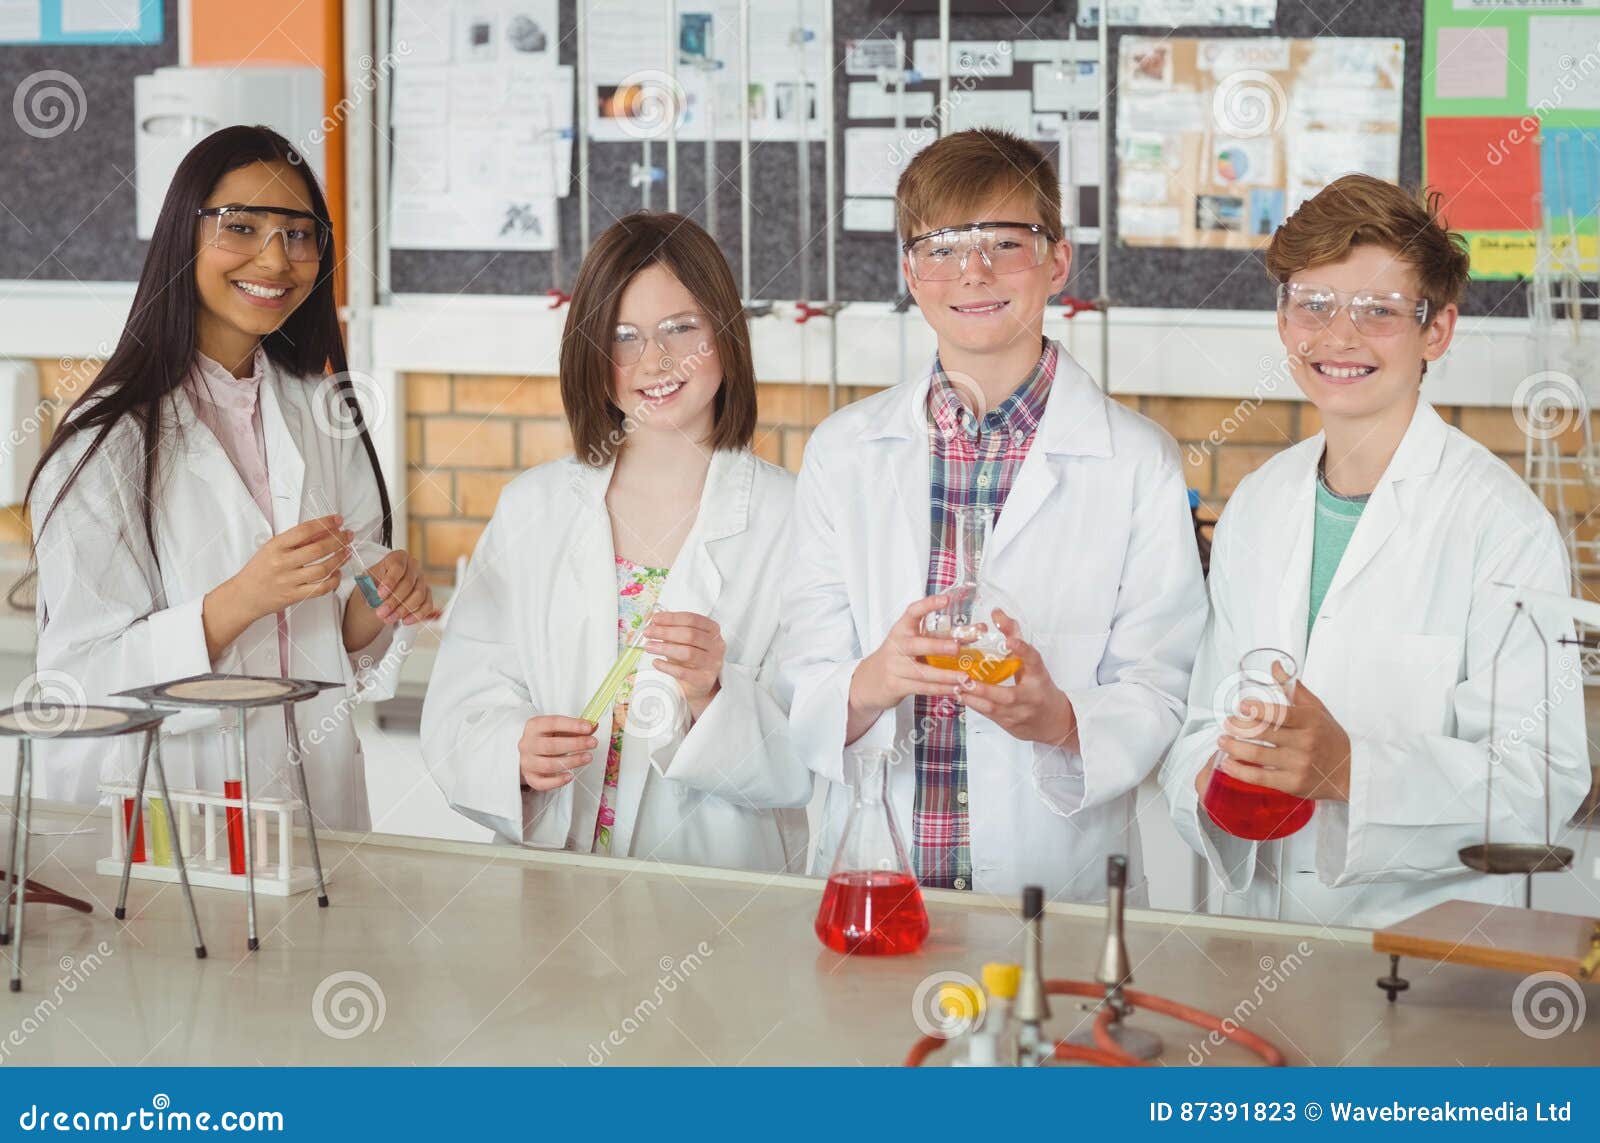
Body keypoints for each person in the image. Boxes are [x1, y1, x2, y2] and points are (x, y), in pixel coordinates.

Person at [780, 130, 1207, 900]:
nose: (973, 271)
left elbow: (1161, 684)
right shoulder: (843, 452)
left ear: (1058, 261)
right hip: (879, 876)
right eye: (942, 248)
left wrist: (1058, 719)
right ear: (910, 272)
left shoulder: (1138, 460)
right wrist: (876, 678)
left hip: (1058, 884)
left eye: (1006, 243)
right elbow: (803, 677)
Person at [1158, 174, 1589, 929]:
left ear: (1437, 331)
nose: (1339, 336)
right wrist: (1215, 773)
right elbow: (1202, 721)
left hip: (1424, 946)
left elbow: (1542, 784)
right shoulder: (1258, 502)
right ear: (1283, 319)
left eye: (1379, 310)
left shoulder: (1503, 527)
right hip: (1256, 928)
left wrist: (1351, 771)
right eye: (1313, 303)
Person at [28, 125, 433, 831]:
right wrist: (238, 601)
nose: (275, 259)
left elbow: (339, 634)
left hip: (315, 807)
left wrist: (379, 600)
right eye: (240, 227)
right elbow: (78, 682)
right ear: (181, 238)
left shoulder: (323, 411)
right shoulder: (105, 441)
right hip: (168, 814)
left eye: (298, 235)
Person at [421, 212, 810, 871]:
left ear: (725, 332)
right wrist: (512, 752)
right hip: (551, 879)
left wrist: (714, 695)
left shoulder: (791, 517)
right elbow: (464, 700)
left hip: (715, 890)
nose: (655, 361)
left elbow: (812, 752)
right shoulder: (534, 507)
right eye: (623, 336)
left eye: (681, 327)